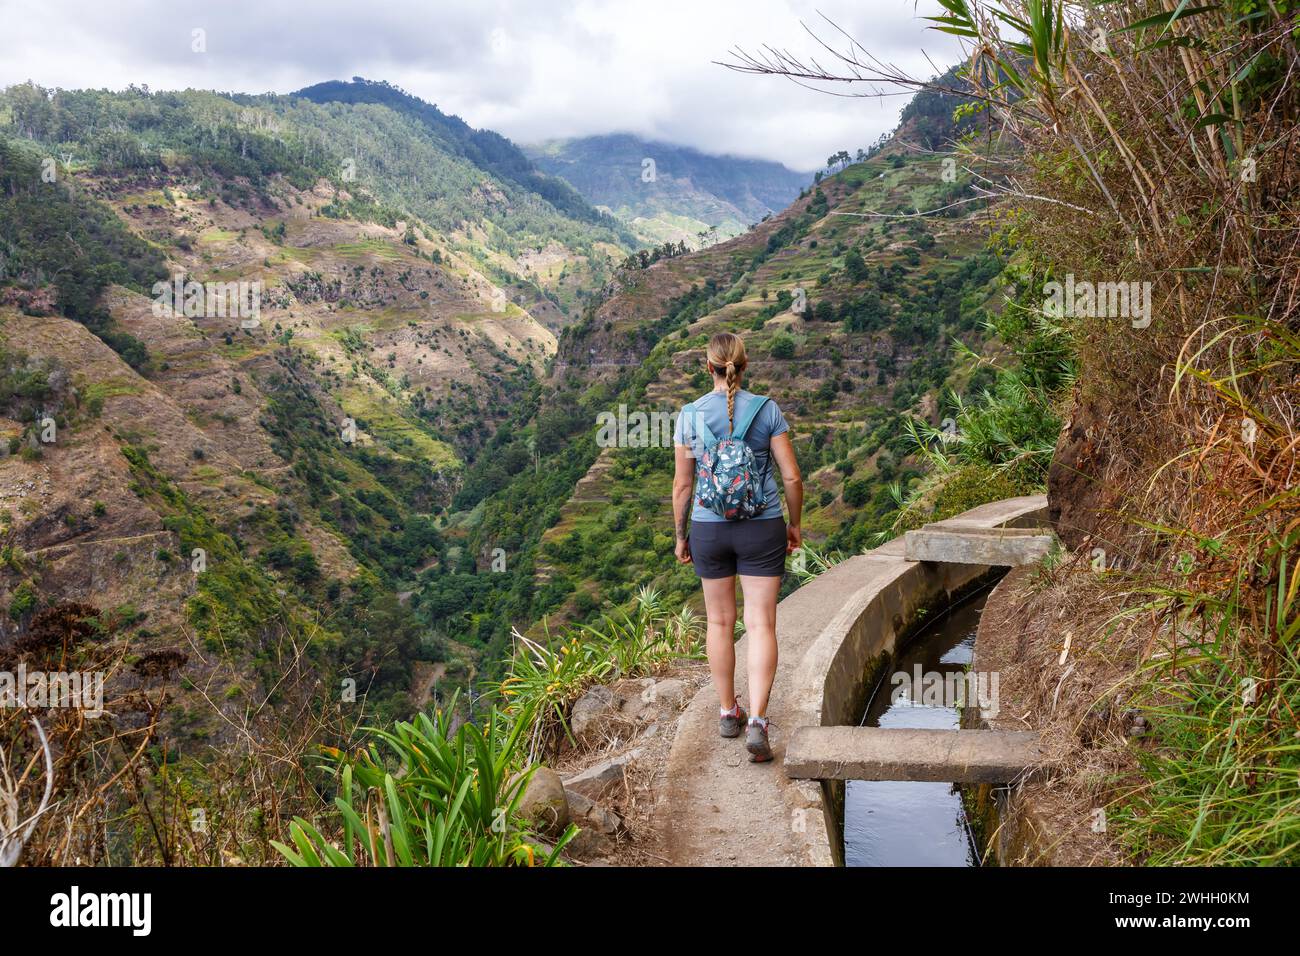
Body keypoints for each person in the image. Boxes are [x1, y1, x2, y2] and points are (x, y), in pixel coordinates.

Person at [672, 331, 803, 762]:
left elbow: (682, 485)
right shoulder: (768, 410)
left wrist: (680, 536)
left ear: (706, 366)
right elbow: (792, 478)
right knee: (761, 623)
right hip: (762, 526)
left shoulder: (689, 416)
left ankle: (728, 712)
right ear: (744, 366)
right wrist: (795, 524)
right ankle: (758, 723)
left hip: (709, 530)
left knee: (718, 623)